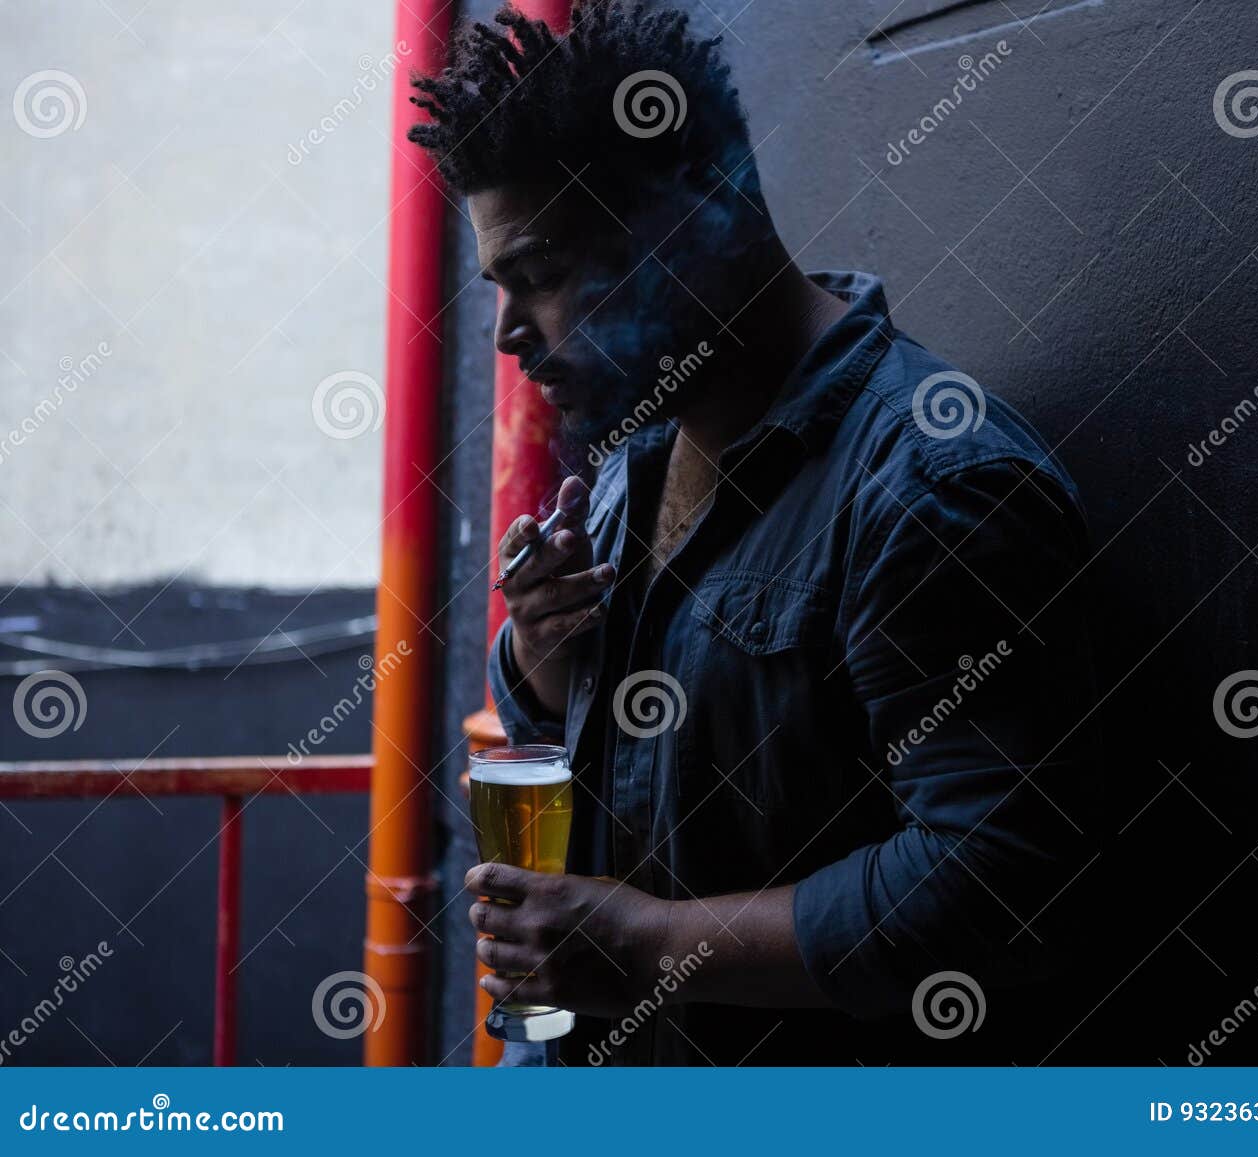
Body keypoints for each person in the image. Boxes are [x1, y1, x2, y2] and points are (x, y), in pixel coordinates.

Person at [409, 0, 1099, 1064]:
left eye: (541, 277)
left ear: (690, 222)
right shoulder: (634, 457)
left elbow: (1008, 878)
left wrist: (652, 946)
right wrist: (540, 665)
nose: (509, 335)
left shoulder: (929, 482)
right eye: (501, 287)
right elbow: (634, 750)